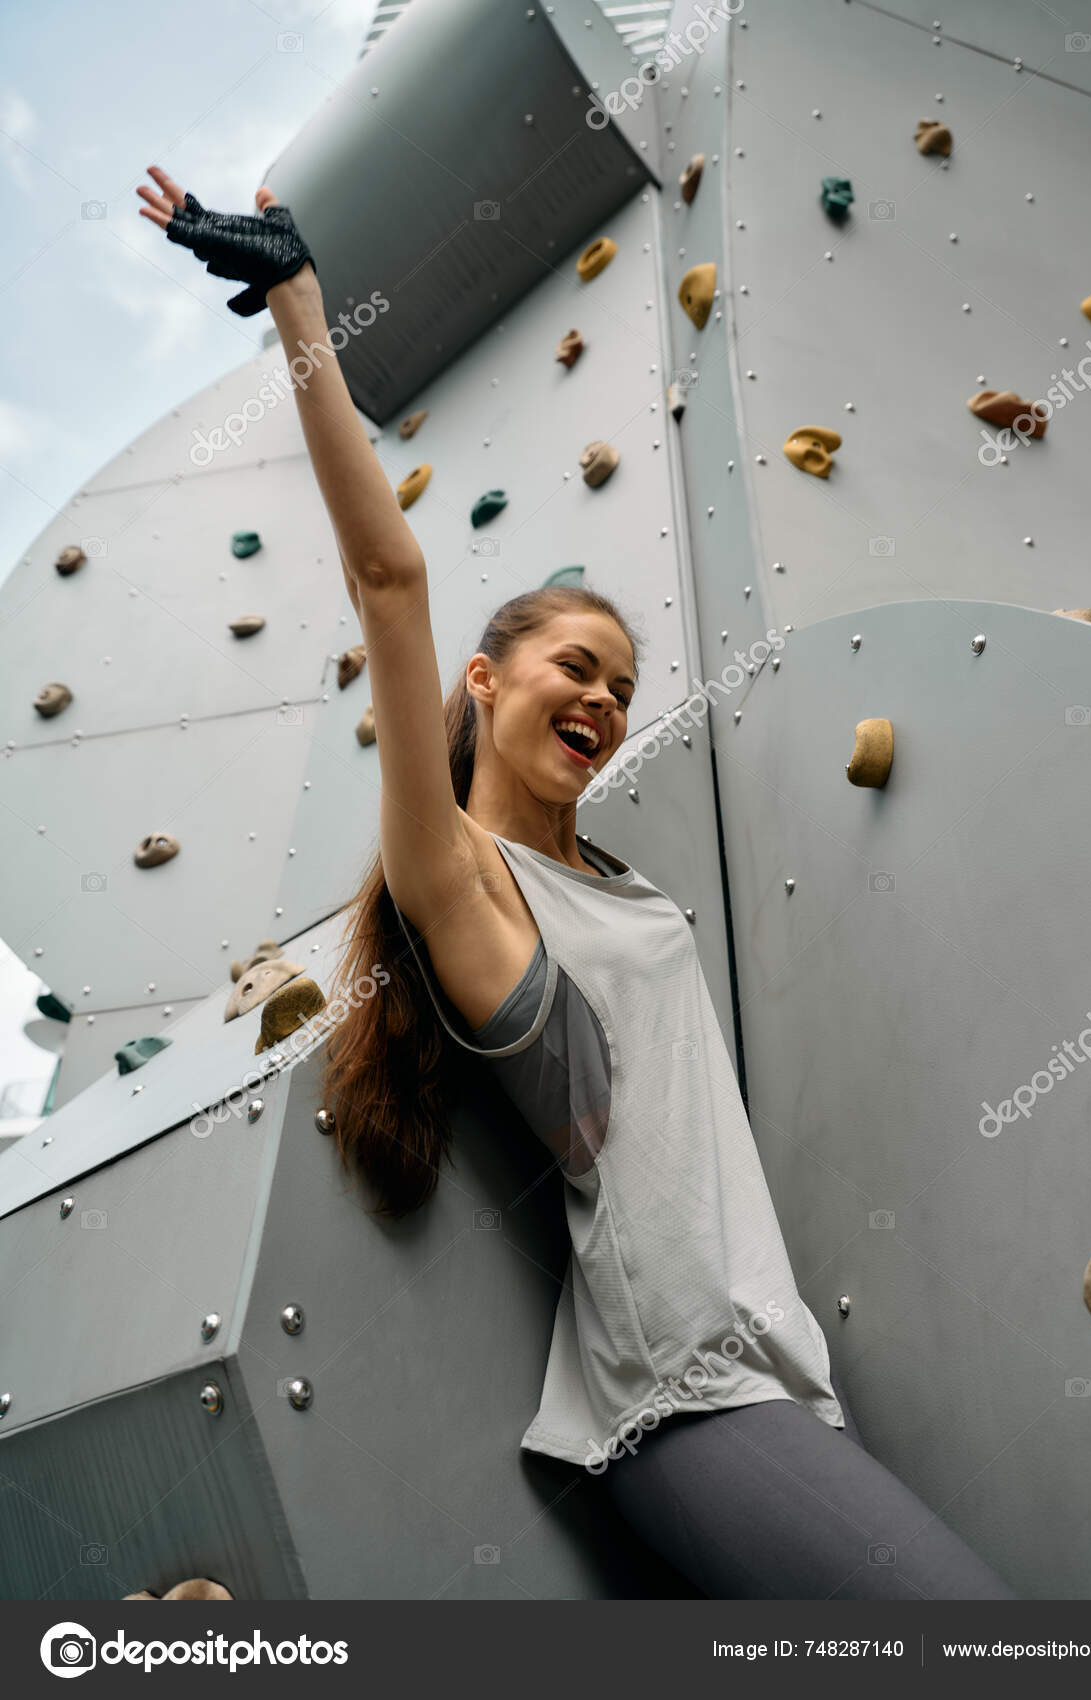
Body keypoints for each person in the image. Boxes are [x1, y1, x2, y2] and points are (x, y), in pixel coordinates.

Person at [137, 169, 1017, 1601]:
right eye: (574, 668)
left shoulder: (626, 884)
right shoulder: (465, 883)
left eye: (622, 683)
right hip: (681, 1401)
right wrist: (302, 303)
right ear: (486, 683)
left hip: (778, 1380)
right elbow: (392, 579)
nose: (604, 698)